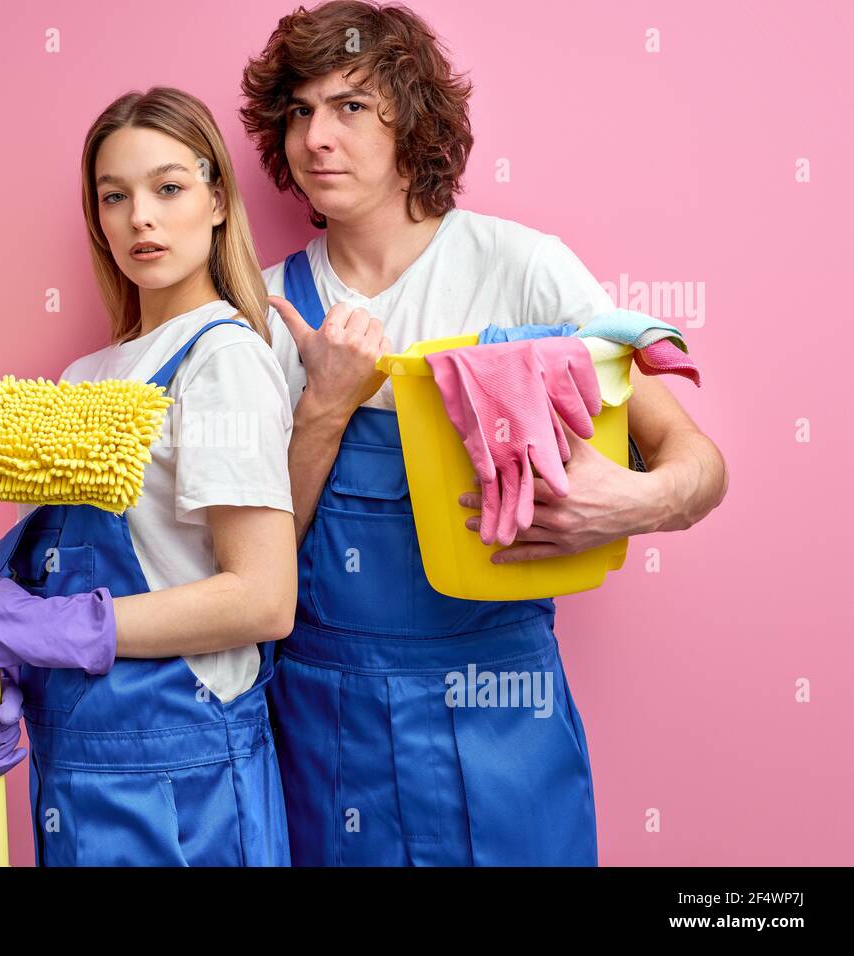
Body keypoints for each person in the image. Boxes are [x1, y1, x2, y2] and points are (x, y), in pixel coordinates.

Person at [238, 0, 729, 865]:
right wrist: (323, 409)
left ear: (412, 121)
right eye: (299, 112)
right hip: (326, 722)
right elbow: (251, 565)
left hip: (503, 710)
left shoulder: (519, 268)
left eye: (350, 106)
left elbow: (701, 467)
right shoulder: (266, 311)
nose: (316, 137)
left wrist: (632, 502)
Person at [0, 87, 298, 866]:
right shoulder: (83, 377)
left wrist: (69, 631)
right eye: (115, 196)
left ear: (216, 200)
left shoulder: (222, 359)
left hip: (186, 782)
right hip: (75, 771)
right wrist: (8, 678)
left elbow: (264, 598)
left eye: (168, 188)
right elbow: (51, 578)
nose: (141, 216)